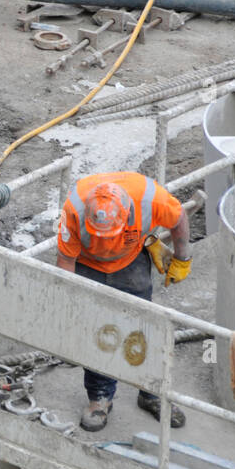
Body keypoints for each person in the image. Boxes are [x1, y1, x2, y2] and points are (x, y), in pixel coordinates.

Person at [55, 172, 192, 431]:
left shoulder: (151, 199)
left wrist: (183, 259)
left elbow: (179, 218)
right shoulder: (74, 208)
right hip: (89, 265)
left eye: (111, 234)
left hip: (130, 260)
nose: (106, 239)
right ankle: (100, 399)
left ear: (128, 212)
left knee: (143, 328)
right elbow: (65, 265)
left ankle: (151, 392)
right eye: (101, 234)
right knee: (100, 332)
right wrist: (69, 312)